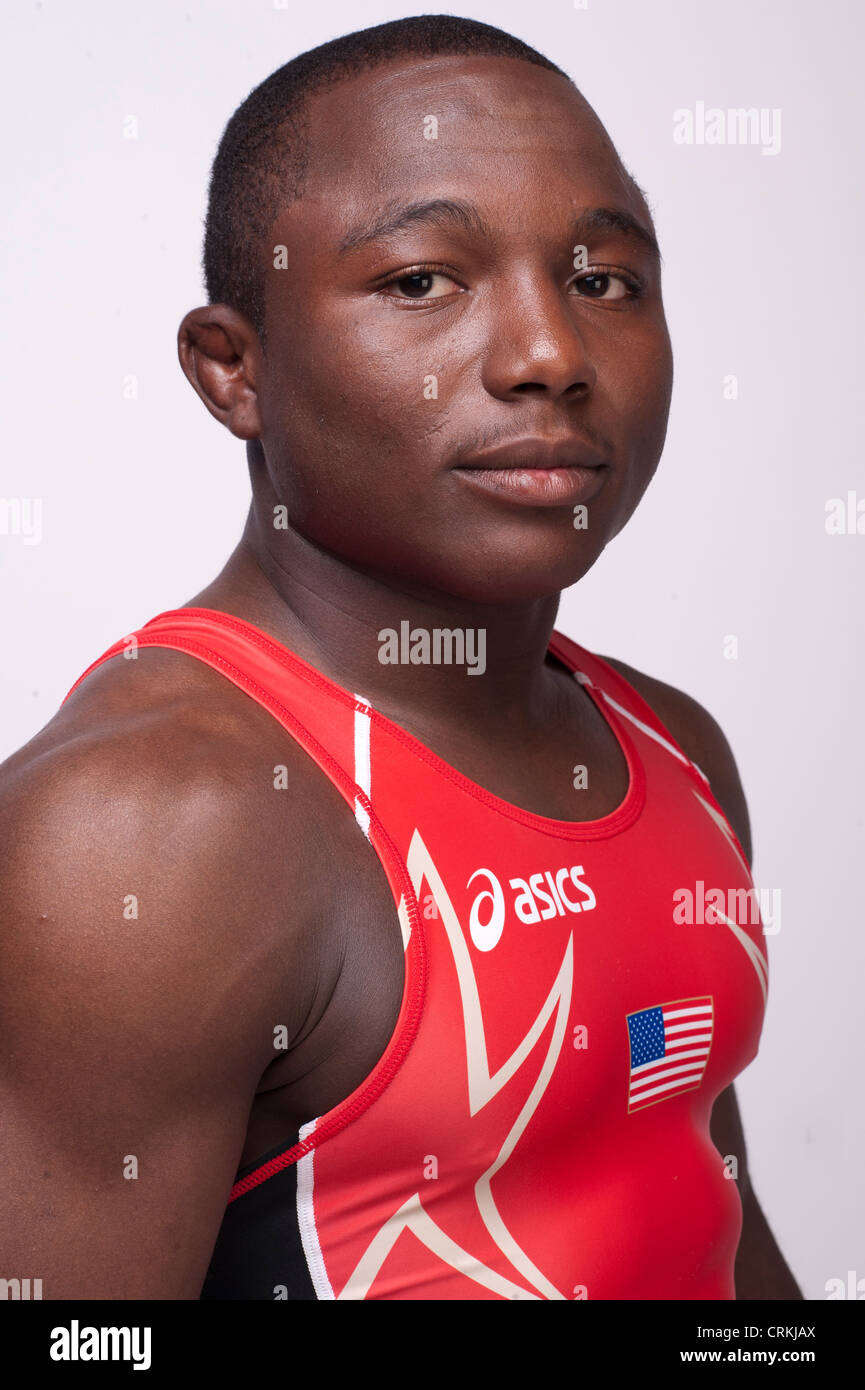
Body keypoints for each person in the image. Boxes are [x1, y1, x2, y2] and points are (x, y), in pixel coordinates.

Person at [0, 14, 801, 1300]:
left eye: (602, 278)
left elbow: (712, 1227)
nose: (549, 356)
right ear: (234, 371)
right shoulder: (142, 833)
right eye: (424, 279)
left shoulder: (672, 748)